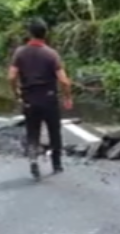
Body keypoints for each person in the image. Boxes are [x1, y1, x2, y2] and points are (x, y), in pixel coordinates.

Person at [7, 19, 73, 179]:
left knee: (32, 132)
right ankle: (56, 164)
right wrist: (67, 97)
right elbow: (64, 80)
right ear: (46, 34)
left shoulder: (20, 53)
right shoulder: (51, 54)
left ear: (30, 34)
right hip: (49, 99)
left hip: (30, 99)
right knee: (54, 131)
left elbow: (11, 76)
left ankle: (33, 160)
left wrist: (16, 92)